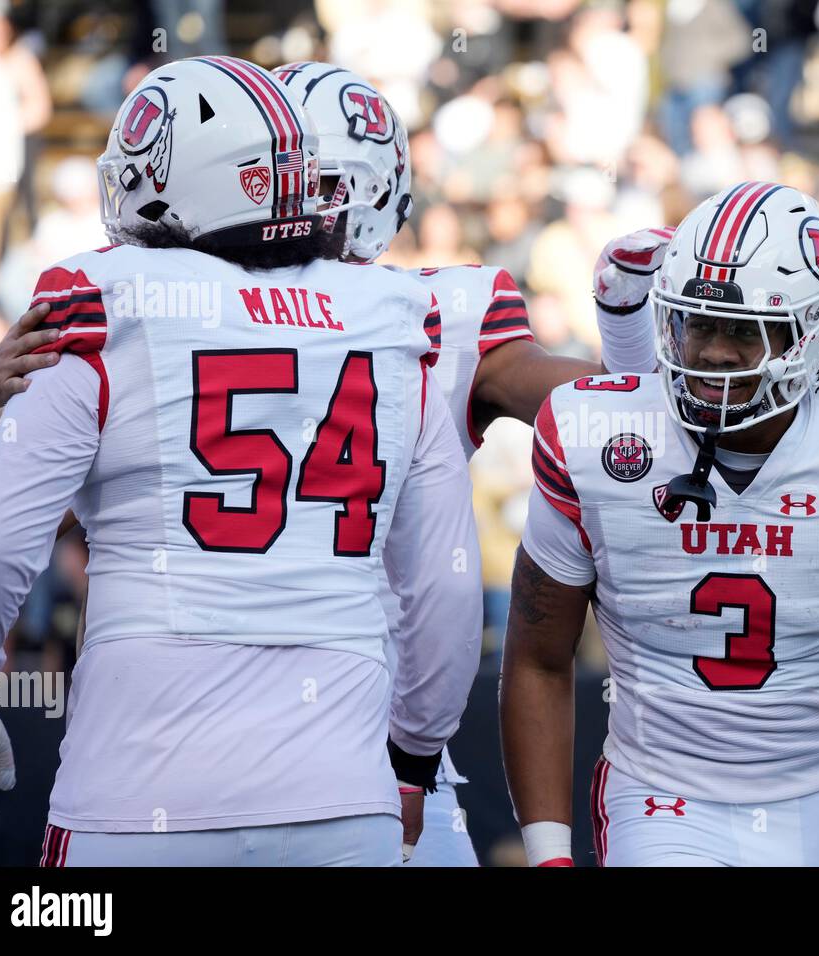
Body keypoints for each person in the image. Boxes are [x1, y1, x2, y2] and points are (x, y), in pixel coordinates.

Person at [0, 57, 482, 865]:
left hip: (135, 799)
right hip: (342, 800)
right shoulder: (392, 318)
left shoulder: (106, 304)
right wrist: (414, 759)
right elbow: (446, 589)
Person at [500, 182, 819, 867]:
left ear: (811, 335)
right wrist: (548, 853)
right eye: (699, 323)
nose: (714, 352)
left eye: (743, 330)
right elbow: (538, 659)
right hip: (662, 800)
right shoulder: (599, 434)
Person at [272, 61, 670, 864]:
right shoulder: (439, 312)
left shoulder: (153, 305)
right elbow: (612, 410)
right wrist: (637, 348)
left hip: (216, 736)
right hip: (380, 743)